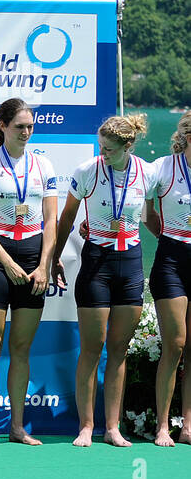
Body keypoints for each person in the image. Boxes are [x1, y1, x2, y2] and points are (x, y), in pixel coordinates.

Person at [51, 113, 153, 448]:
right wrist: (53, 258)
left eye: (108, 149)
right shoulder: (87, 171)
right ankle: (86, 425)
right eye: (100, 147)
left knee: (118, 351)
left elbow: (153, 215)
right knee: (92, 350)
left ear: (128, 145)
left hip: (131, 264)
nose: (103, 153)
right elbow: (67, 217)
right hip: (97, 265)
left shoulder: (147, 173)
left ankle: (112, 428)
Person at [0, 97, 58, 447]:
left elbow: (50, 221)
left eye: (30, 126)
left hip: (33, 262)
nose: (26, 132)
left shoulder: (44, 166)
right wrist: (6, 261)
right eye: (19, 126)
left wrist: (44, 265)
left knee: (21, 349)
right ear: (2, 126)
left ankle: (17, 427)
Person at [146, 110, 191, 446]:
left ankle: (188, 426)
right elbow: (138, 204)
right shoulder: (163, 167)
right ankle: (163, 425)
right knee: (175, 344)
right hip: (171, 259)